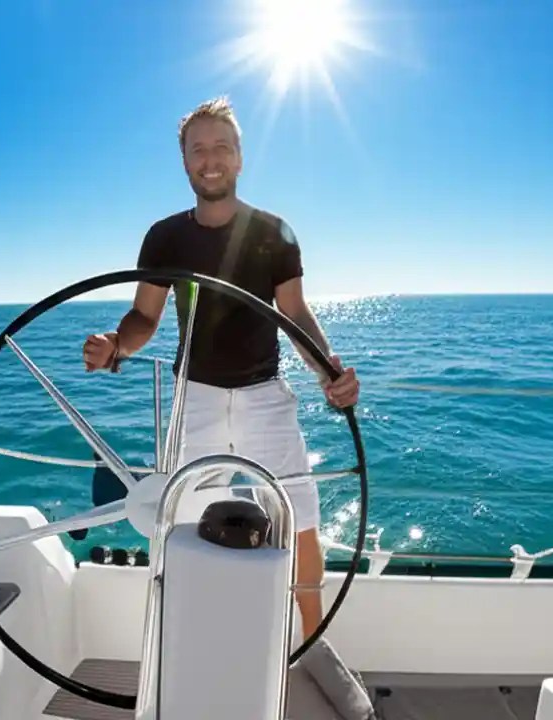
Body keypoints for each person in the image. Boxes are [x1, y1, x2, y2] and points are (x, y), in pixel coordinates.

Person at [81, 96, 359, 640]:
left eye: (221, 148)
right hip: (196, 397)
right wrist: (117, 344)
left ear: (239, 157)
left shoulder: (275, 232)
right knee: (183, 522)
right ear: (185, 161)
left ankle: (310, 646)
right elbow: (144, 315)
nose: (210, 159)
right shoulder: (166, 236)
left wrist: (330, 374)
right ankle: (187, 641)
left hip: (264, 394)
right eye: (198, 150)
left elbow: (294, 312)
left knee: (300, 521)